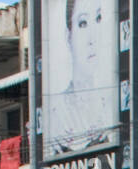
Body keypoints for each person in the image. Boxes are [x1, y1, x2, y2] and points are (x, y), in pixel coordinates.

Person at [45, 0, 119, 158]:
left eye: (98, 19)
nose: (93, 38)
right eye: (83, 24)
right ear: (68, 36)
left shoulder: (113, 104)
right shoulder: (54, 113)